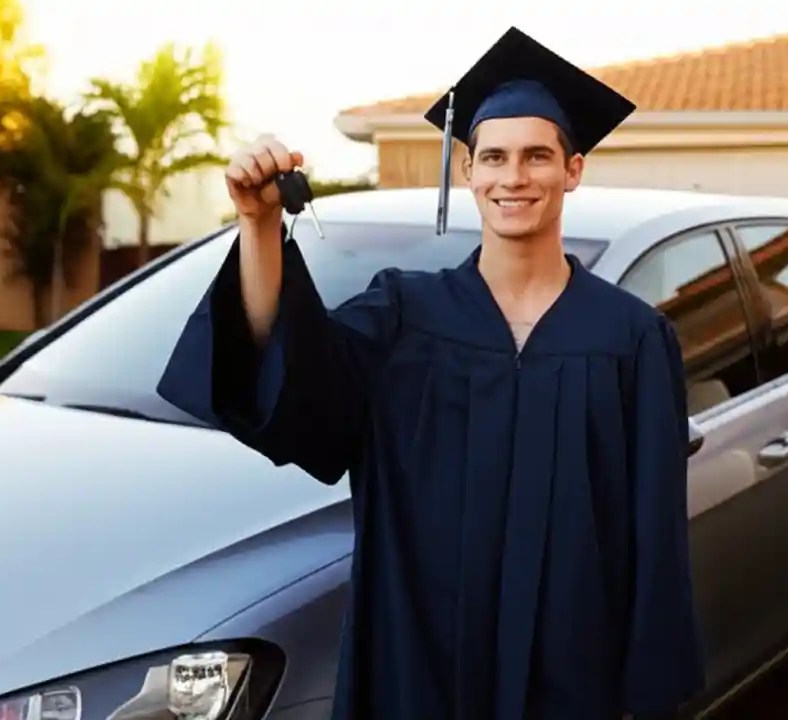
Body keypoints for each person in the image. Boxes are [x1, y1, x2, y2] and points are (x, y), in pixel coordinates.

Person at [157, 26, 704, 720]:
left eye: (537, 156)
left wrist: (643, 693)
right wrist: (259, 226)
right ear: (469, 171)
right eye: (494, 157)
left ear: (572, 170)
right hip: (416, 664)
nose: (514, 177)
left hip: (571, 669)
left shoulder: (632, 338)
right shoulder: (404, 318)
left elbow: (653, 536)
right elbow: (295, 375)